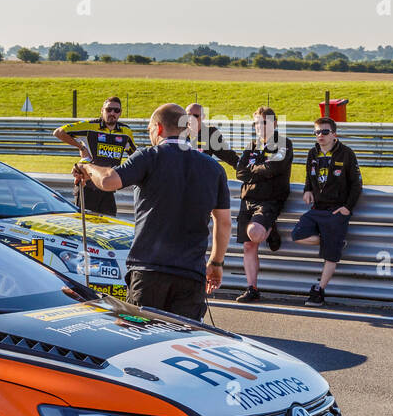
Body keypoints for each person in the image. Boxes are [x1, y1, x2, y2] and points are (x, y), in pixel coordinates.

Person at [72, 103, 231, 319]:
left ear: (157, 129)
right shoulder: (214, 168)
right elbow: (223, 222)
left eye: (149, 131)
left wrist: (87, 166)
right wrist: (216, 263)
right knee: (184, 341)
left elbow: (109, 181)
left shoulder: (149, 156)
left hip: (149, 269)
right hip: (190, 272)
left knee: (142, 339)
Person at [291, 117, 362, 306]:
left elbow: (357, 184)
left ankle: (319, 290)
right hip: (317, 209)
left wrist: (347, 207)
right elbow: (309, 175)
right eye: (316, 132)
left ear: (334, 134)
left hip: (336, 210)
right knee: (297, 234)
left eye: (324, 132)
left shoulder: (346, 153)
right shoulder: (312, 153)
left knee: (331, 255)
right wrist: (307, 189)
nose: (320, 136)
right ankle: (335, 242)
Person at [230, 107, 292, 302]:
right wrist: (259, 170)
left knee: (255, 233)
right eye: (256, 123)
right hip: (247, 199)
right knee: (248, 246)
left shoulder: (283, 144)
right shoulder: (251, 146)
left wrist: (253, 170)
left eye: (264, 122)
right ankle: (252, 288)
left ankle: (269, 227)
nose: (259, 126)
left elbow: (273, 168)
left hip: (270, 200)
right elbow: (240, 173)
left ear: (274, 124)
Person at [53, 96, 137, 216]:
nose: (112, 113)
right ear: (102, 110)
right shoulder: (90, 126)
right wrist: (81, 147)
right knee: (85, 228)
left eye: (116, 110)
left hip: (108, 188)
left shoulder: (126, 132)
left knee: (109, 228)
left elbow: (134, 155)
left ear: (120, 113)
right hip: (87, 188)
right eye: (109, 110)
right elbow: (59, 132)